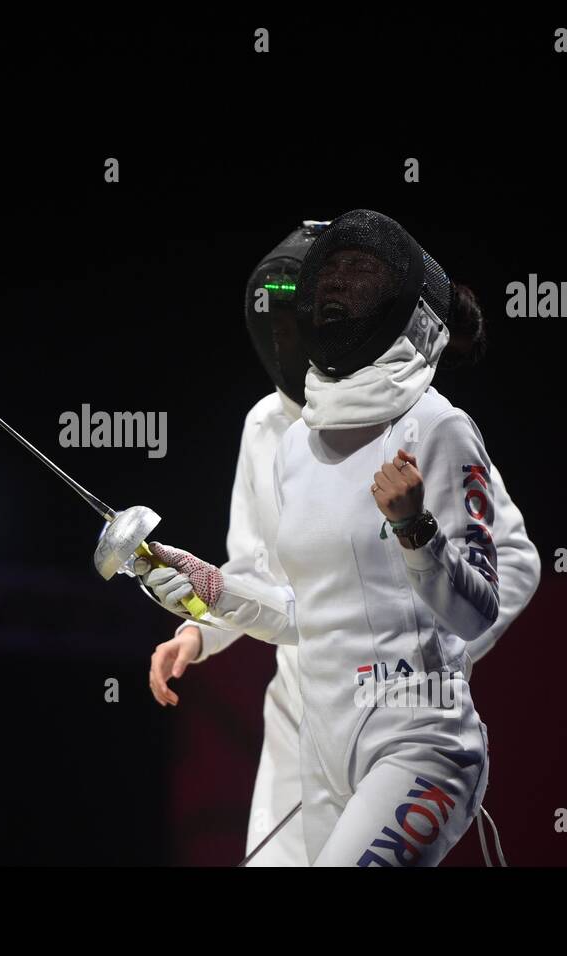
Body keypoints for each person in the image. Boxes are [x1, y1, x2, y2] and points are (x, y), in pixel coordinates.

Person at [144, 210, 535, 866]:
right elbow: (267, 573)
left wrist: (437, 650)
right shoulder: (275, 430)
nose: (295, 332)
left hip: (406, 716)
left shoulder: (430, 427)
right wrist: (200, 620)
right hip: (307, 718)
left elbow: (511, 563)